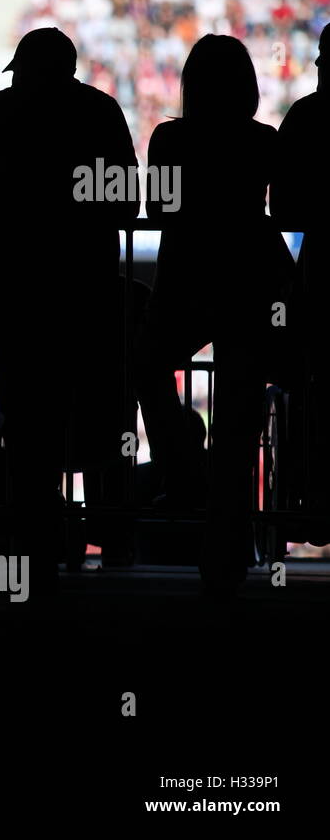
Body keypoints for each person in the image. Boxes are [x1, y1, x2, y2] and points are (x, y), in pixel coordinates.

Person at [0, 28, 138, 593]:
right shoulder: (101, 110)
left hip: (19, 282)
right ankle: (113, 544)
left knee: (26, 417)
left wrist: (31, 204)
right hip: (87, 282)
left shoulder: (0, 111)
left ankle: (35, 549)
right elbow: (128, 200)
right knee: (98, 410)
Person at [137, 34, 292, 595]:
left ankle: (183, 470)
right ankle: (224, 556)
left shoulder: (171, 137)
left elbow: (159, 207)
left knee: (147, 367)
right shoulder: (262, 140)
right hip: (251, 281)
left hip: (187, 278)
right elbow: (287, 208)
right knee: (237, 423)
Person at [272, 23, 330, 513]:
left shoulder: (305, 116)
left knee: (311, 384)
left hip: (320, 273)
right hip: (317, 272)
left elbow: (283, 210)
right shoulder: (303, 116)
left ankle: (310, 496)